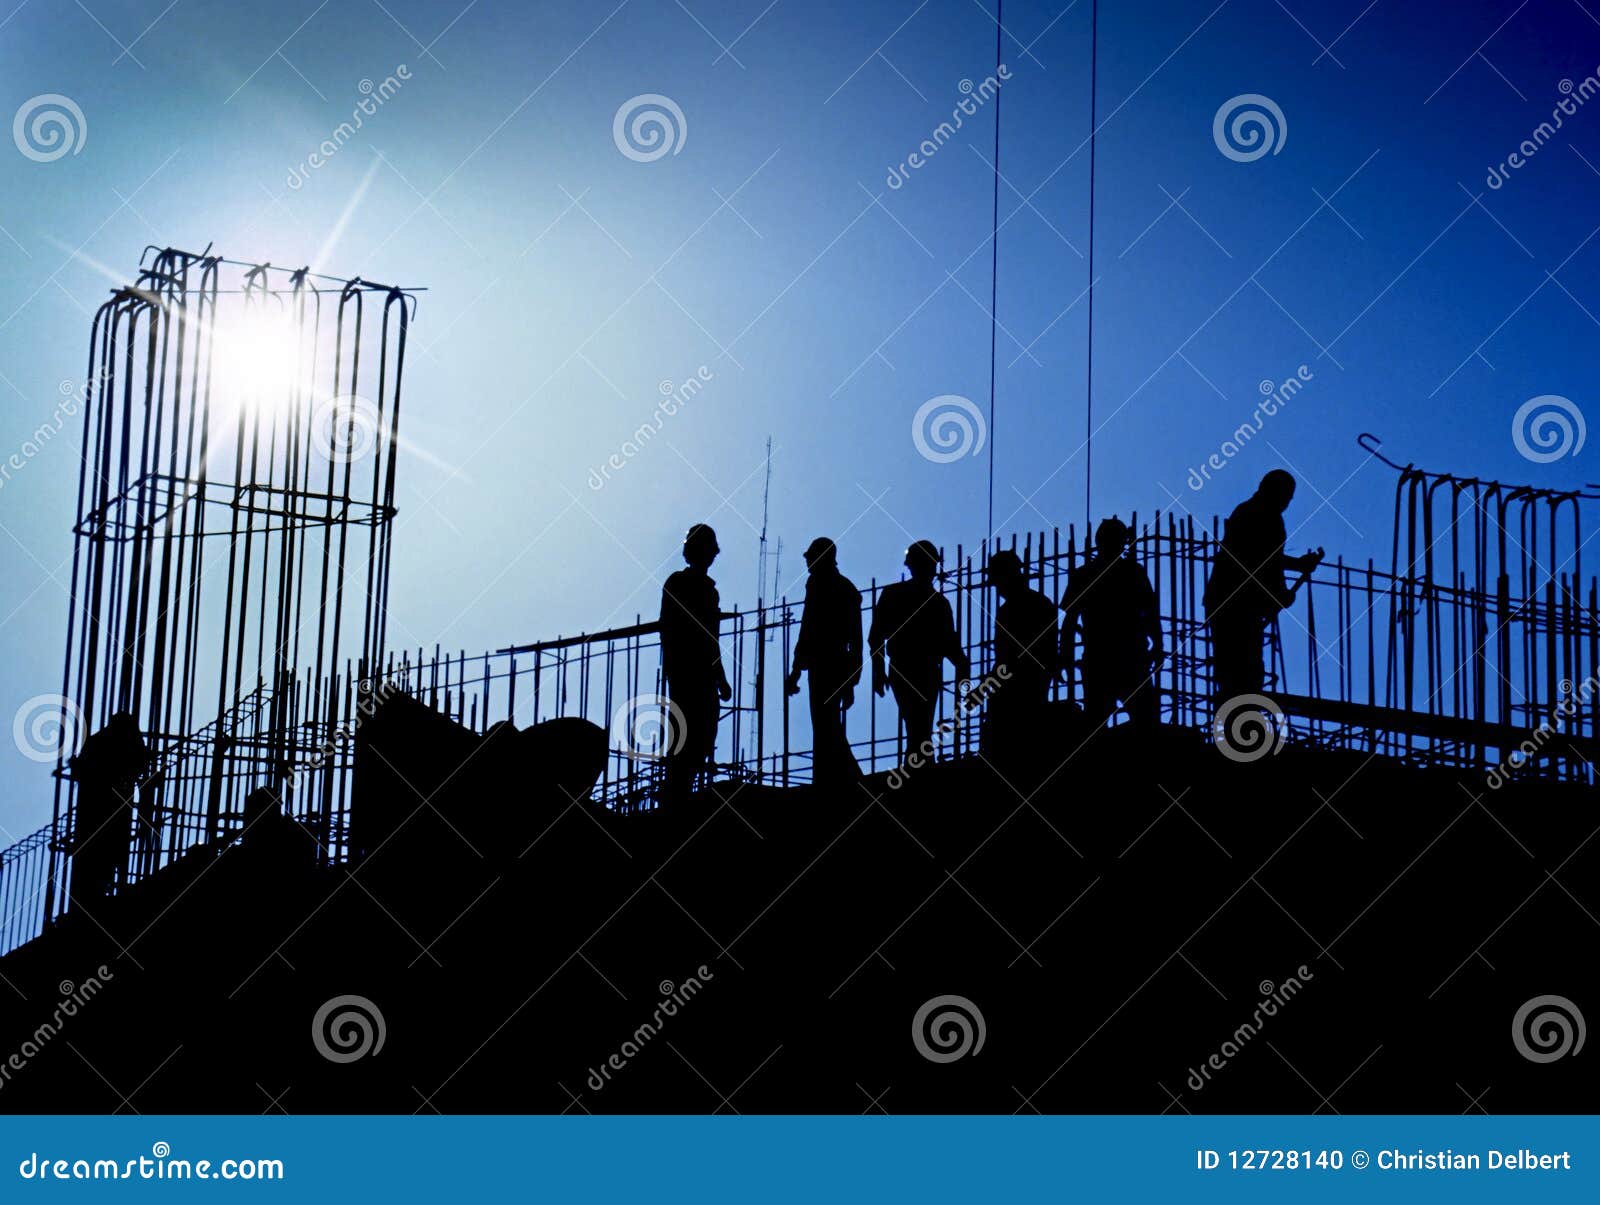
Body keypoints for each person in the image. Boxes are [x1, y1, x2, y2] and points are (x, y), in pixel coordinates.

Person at [1204, 470, 1323, 701]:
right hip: (1235, 604)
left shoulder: (1251, 512)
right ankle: (1237, 729)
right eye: (1286, 496)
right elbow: (1257, 560)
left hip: (1229, 602)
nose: (1287, 502)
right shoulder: (1260, 515)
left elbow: (1266, 560)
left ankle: (1236, 727)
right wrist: (1280, 592)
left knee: (1236, 674)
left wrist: (1293, 571)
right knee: (1243, 676)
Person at [870, 540, 971, 764]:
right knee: (919, 726)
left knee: (918, 727)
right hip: (912, 669)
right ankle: (921, 770)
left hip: (916, 670)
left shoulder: (931, 602)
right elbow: (876, 636)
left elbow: (950, 645)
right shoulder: (933, 602)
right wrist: (878, 670)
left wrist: (963, 668)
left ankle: (918, 770)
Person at [1061, 517, 1163, 728]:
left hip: (1109, 658)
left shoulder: (1087, 574)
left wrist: (1065, 655)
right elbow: (1150, 614)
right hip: (1123, 658)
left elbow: (1070, 621)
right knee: (1141, 722)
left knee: (1100, 723)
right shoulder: (1132, 572)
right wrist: (1158, 645)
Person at [659, 524, 732, 803]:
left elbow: (712, 638)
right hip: (686, 671)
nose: (709, 556)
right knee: (687, 734)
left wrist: (720, 676)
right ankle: (676, 795)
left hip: (698, 672)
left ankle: (679, 792)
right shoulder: (678, 583)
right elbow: (672, 629)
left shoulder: (708, 591)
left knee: (702, 733)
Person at [785, 537, 863, 786]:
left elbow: (809, 628)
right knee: (826, 724)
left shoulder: (821, 585)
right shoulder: (846, 588)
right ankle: (833, 778)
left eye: (811, 558)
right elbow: (856, 640)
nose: (807, 563)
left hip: (824, 664)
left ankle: (840, 779)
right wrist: (852, 679)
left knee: (824, 724)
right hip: (835, 664)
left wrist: (796, 671)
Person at [982, 549, 1059, 753]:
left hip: (1022, 684)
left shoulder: (1012, 610)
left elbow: (1006, 659)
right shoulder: (1040, 603)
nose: (996, 588)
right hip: (1032, 680)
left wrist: (986, 686)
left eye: (997, 580)